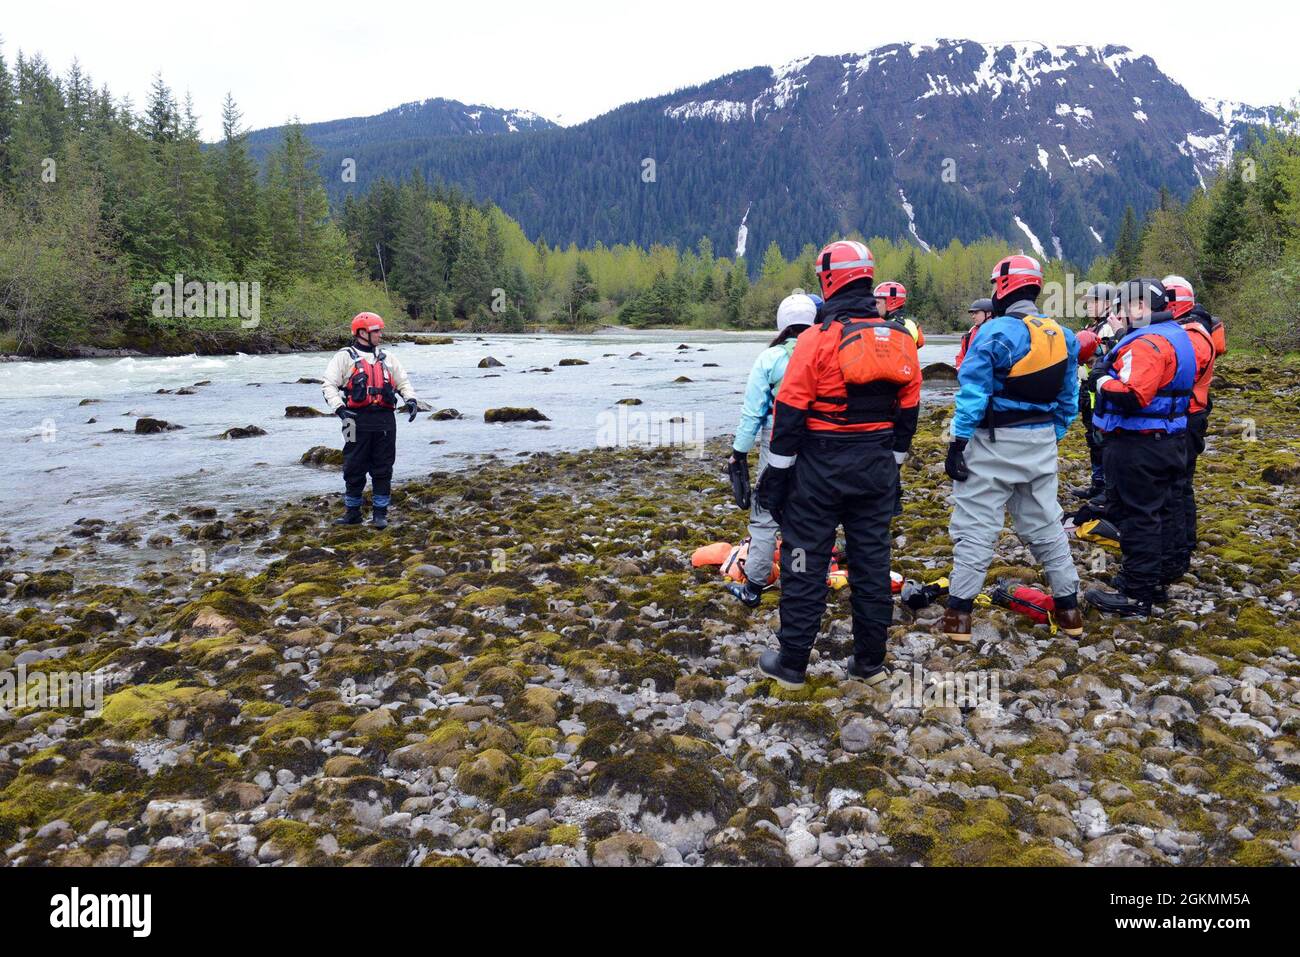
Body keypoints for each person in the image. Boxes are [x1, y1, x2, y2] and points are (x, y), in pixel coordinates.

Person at [754, 240, 921, 688]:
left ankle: (792, 664)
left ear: (828, 280)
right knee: (871, 562)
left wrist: (776, 476)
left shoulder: (815, 339)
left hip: (819, 469)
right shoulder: (903, 339)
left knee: (804, 559)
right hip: (876, 466)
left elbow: (788, 414)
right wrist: (893, 465)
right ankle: (869, 664)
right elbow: (909, 412)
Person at [942, 254, 1084, 642]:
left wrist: (958, 442)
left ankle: (958, 616)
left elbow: (973, 393)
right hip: (1039, 443)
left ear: (1003, 287)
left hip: (992, 443)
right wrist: (1050, 435)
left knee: (976, 526)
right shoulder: (1064, 335)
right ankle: (1070, 610)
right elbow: (1069, 399)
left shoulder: (993, 332)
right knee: (1046, 525)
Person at [1084, 279, 1195, 616]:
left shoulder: (1146, 343)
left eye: (1125, 306)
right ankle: (1153, 582)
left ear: (1140, 307)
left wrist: (1100, 378)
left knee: (1138, 517)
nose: (1120, 313)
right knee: (1159, 511)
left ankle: (1137, 594)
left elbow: (1133, 394)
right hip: (1168, 440)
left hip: (1140, 443)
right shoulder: (1177, 333)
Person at [724, 292, 820, 608]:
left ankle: (753, 586)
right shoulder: (826, 352)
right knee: (805, 515)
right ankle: (800, 581)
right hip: (820, 441)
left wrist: (738, 453)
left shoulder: (770, 358)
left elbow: (752, 413)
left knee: (765, 513)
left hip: (776, 439)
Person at [322, 312, 420, 528]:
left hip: (385, 420)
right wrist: (339, 409)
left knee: (383, 467)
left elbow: (403, 382)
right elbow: (328, 385)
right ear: (362, 333)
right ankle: (352, 513)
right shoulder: (344, 357)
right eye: (376, 331)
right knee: (352, 465)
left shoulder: (388, 358)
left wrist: (411, 400)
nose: (380, 334)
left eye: (379, 330)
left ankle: (380, 513)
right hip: (352, 420)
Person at [1163, 275, 1226, 579]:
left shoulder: (1192, 333)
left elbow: (1180, 375)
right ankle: (1185, 542)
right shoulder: (1194, 330)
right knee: (1180, 483)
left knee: (1176, 485)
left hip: (1188, 417)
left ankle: (1177, 553)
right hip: (1191, 413)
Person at [1071, 283, 1118, 502]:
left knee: (1101, 440)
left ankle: (1106, 487)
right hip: (1086, 389)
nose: (1090, 305)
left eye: (1095, 301)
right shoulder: (1094, 326)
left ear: (1108, 303)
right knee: (1092, 438)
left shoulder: (1109, 327)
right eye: (1089, 301)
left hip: (1098, 391)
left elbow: (1106, 357)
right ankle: (1097, 483)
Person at [874, 280, 925, 346]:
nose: (874, 306)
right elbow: (920, 343)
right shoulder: (912, 323)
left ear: (892, 302)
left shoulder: (896, 326)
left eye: (877, 303)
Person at [954, 298, 994, 370]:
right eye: (973, 314)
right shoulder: (969, 336)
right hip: (971, 376)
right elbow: (960, 358)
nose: (973, 316)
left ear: (988, 313)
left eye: (976, 313)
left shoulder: (999, 334)